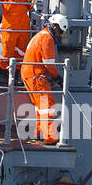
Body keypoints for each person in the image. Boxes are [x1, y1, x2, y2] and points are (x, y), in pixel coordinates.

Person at [21, 13, 67, 144]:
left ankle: (39, 133)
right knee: (48, 105)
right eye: (60, 32)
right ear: (56, 27)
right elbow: (49, 64)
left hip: (29, 73)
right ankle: (50, 137)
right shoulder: (47, 39)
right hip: (35, 75)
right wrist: (57, 77)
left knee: (39, 105)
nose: (60, 36)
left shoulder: (41, 35)